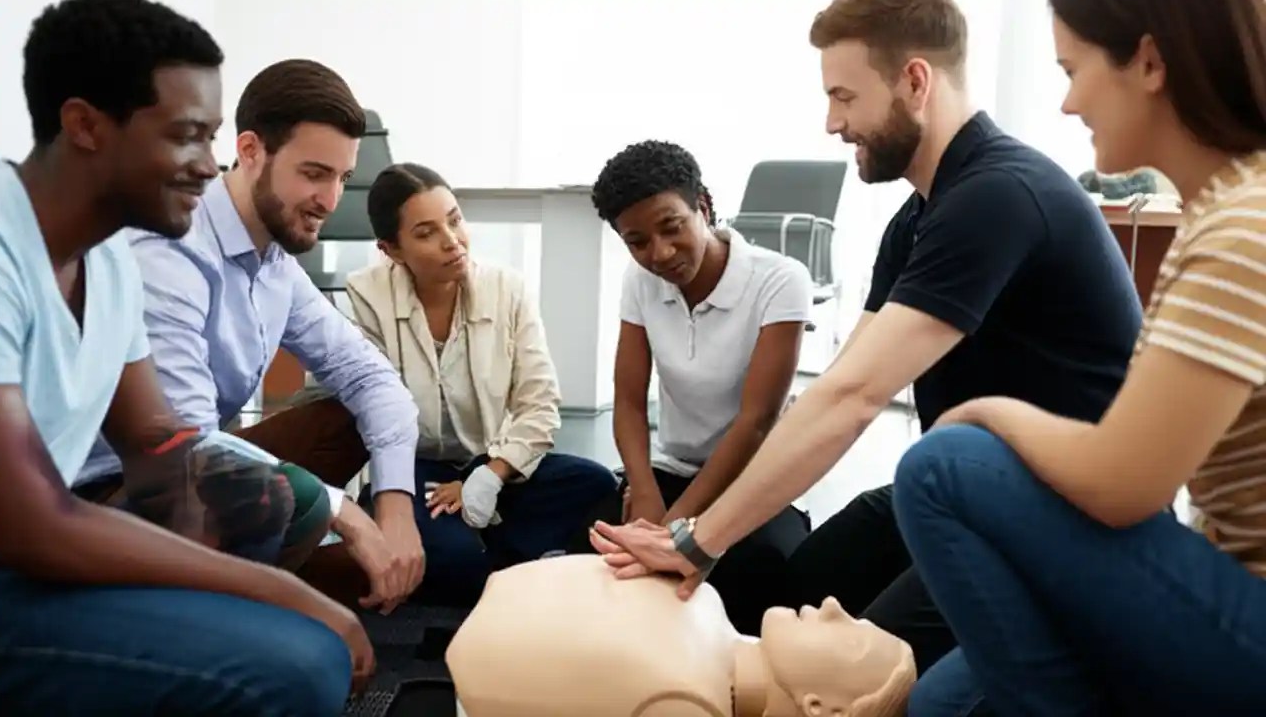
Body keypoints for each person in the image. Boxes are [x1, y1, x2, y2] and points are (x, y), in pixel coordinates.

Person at [588, 0, 1142, 673]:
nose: (833, 123)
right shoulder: (917, 221)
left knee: (846, 675)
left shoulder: (997, 196)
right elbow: (840, 389)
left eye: (844, 97)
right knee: (788, 594)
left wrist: (698, 540)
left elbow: (853, 397)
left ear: (915, 82)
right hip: (968, 490)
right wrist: (701, 536)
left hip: (1056, 522)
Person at [0, 0, 370, 714]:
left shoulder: (109, 259)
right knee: (294, 669)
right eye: (187, 137)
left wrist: (241, 590)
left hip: (31, 558)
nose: (207, 166)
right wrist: (276, 591)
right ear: (86, 126)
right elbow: (26, 525)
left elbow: (159, 443)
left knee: (253, 511)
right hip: (9, 561)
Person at [891, 0, 1266, 714]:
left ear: (1150, 62)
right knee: (940, 703)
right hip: (1224, 572)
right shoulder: (1225, 213)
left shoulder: (1243, 229)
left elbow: (1126, 483)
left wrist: (987, 411)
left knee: (942, 467)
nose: (1065, 103)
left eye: (1073, 70)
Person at [77, 58, 424, 614]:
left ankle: (279, 588)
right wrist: (345, 512)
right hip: (108, 493)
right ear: (250, 150)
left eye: (343, 178)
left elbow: (372, 378)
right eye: (314, 174)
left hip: (194, 473)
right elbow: (182, 443)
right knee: (312, 520)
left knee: (344, 421)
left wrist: (395, 509)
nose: (331, 200)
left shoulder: (274, 263)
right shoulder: (169, 244)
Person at [342, 162, 617, 605]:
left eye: (454, 220)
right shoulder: (368, 298)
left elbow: (539, 402)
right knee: (456, 556)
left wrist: (489, 475)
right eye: (427, 233)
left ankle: (489, 556)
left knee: (597, 483)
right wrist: (447, 491)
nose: (452, 242)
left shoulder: (507, 289)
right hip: (417, 472)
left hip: (494, 464)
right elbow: (374, 410)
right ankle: (518, 565)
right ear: (392, 249)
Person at [573, 139, 816, 636]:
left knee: (763, 570)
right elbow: (627, 401)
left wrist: (675, 528)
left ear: (702, 206)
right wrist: (643, 491)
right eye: (637, 242)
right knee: (597, 549)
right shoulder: (640, 283)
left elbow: (756, 423)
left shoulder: (779, 280)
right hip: (671, 471)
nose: (659, 254)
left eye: (672, 227)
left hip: (753, 478)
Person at [447, 554, 915, 717]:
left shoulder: (688, 701)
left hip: (477, 670)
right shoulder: (714, 628)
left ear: (818, 706)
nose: (835, 607)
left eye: (851, 636)